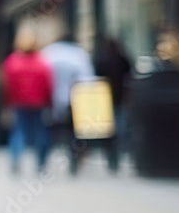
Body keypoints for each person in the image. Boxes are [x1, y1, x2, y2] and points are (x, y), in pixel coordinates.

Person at [41, 34, 94, 174]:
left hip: (51, 99)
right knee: (74, 131)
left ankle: (45, 159)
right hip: (75, 99)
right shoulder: (79, 54)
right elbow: (88, 79)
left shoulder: (48, 53)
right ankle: (74, 157)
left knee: (52, 129)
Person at [2, 29, 52, 174]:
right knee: (40, 133)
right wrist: (49, 102)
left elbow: (7, 85)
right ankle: (41, 163)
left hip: (18, 104)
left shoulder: (12, 62)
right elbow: (48, 83)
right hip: (39, 103)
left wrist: (7, 103)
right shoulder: (41, 61)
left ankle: (16, 159)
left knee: (18, 131)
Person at [94, 37, 132, 172]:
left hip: (106, 100)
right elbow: (130, 77)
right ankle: (118, 152)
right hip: (120, 99)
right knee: (120, 128)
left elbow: (96, 79)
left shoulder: (102, 61)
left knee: (108, 129)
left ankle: (111, 155)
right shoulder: (122, 59)